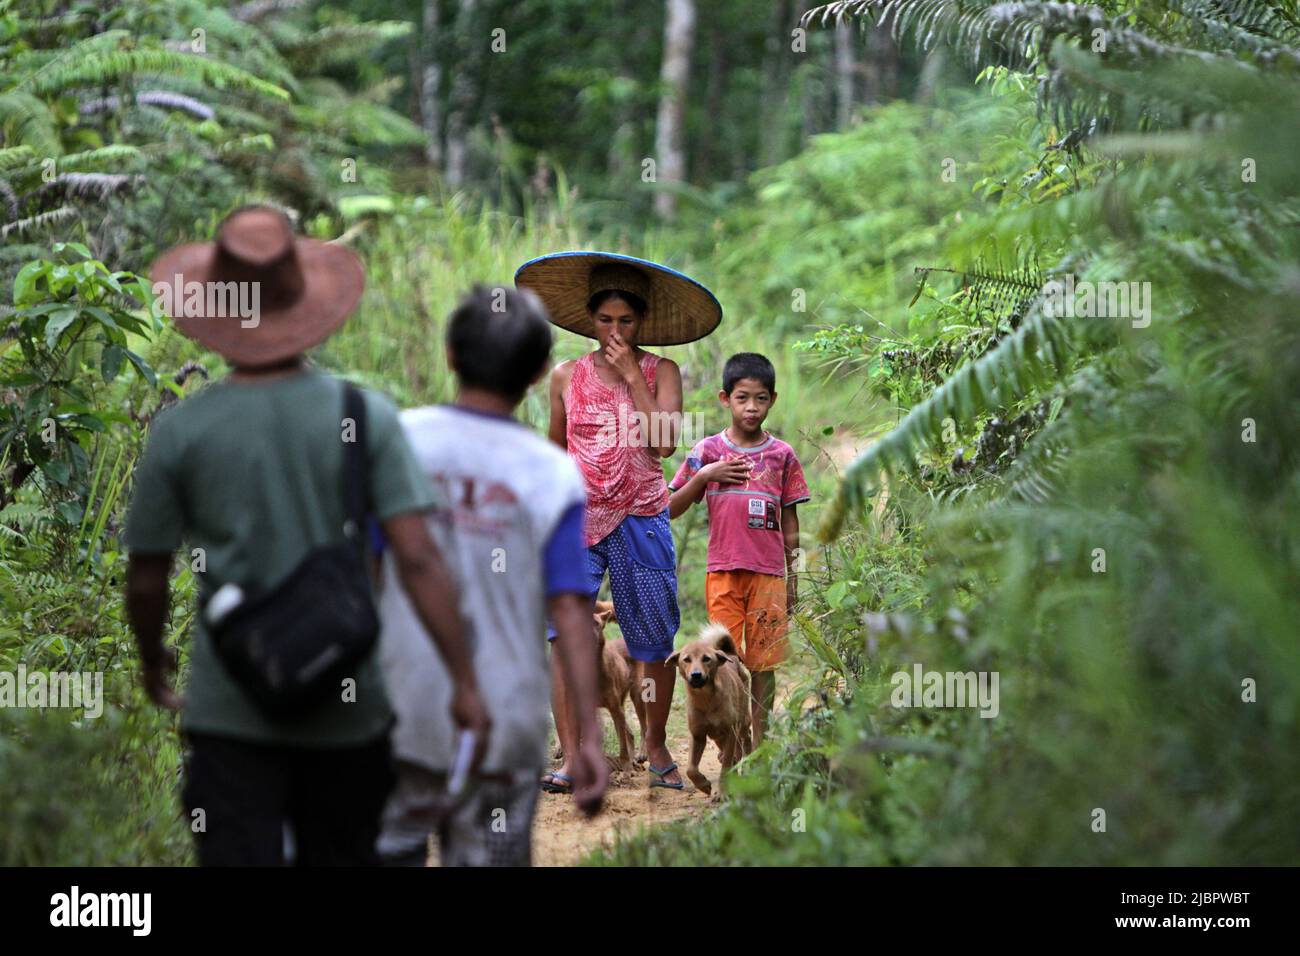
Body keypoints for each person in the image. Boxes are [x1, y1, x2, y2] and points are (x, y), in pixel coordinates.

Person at [124, 206, 489, 866]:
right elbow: (418, 556)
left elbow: (147, 575)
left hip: (228, 709)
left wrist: (154, 663)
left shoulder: (181, 431)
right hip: (345, 706)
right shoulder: (363, 415)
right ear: (304, 303)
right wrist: (464, 680)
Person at [374, 285, 608, 867]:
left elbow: (364, 571)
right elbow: (572, 611)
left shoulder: (397, 440)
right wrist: (589, 742)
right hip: (505, 720)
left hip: (401, 710)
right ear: (536, 375)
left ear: (450, 353)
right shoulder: (551, 473)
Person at [516, 252, 722, 792]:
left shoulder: (663, 371)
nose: (615, 331)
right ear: (589, 321)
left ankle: (655, 746)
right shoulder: (566, 376)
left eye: (626, 321)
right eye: (605, 321)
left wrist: (634, 375)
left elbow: (663, 443)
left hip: (642, 515)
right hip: (576, 518)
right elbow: (556, 448)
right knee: (562, 635)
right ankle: (577, 755)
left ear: (642, 323)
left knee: (652, 639)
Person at [667, 353, 809, 746]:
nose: (751, 407)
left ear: (773, 399)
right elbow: (671, 507)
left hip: (768, 576)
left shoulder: (782, 455)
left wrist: (793, 577)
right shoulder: (709, 451)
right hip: (723, 572)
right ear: (724, 398)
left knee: (763, 664)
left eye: (760, 398)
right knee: (724, 662)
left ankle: (760, 747)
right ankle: (733, 745)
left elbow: (791, 524)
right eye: (742, 397)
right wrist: (705, 477)